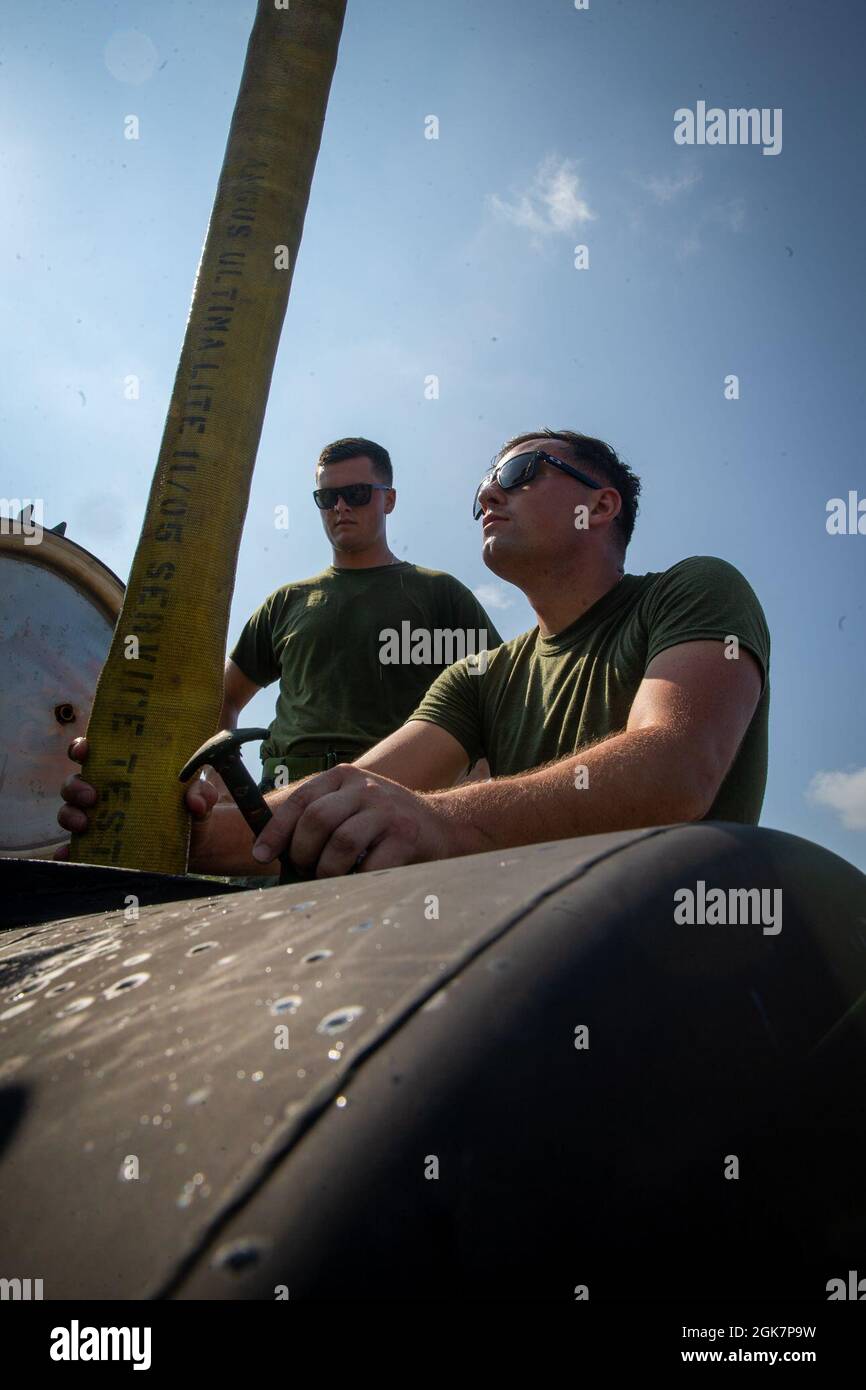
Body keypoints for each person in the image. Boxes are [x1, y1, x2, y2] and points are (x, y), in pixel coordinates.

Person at [60, 430, 770, 883]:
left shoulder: (693, 591)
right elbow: (344, 791)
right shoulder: (478, 678)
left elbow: (675, 769)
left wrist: (444, 822)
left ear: (603, 504)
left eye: (521, 469)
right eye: (483, 486)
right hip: (527, 974)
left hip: (679, 959)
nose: (490, 490)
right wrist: (146, 823)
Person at [211, 435, 502, 793]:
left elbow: (497, 697)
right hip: (282, 801)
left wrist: (470, 787)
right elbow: (222, 695)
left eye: (358, 494)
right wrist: (222, 781)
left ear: (389, 499)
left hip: (398, 802)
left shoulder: (439, 593)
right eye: (328, 497)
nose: (341, 507)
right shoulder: (285, 603)